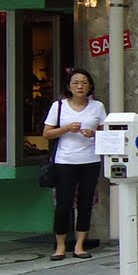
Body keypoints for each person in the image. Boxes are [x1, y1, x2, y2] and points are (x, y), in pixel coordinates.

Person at [42, 69, 107, 261]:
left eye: (84, 83)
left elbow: (108, 134)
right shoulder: (59, 106)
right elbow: (47, 133)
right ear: (69, 86)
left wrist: (93, 134)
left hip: (90, 160)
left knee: (85, 203)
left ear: (90, 86)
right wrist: (66, 129)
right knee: (63, 204)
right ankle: (60, 245)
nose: (80, 86)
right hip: (65, 161)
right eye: (76, 83)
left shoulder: (97, 107)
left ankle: (80, 245)